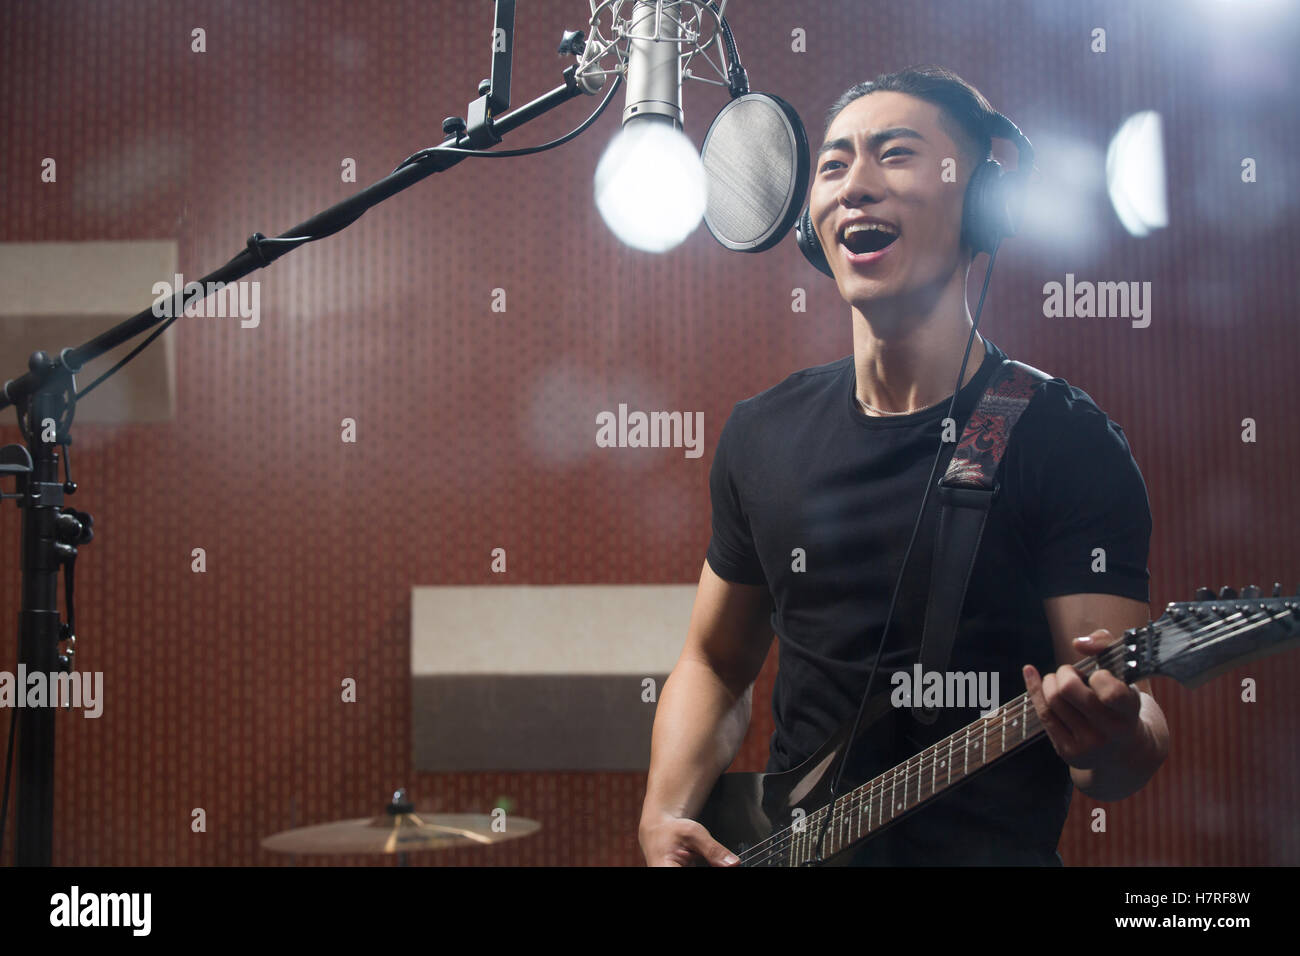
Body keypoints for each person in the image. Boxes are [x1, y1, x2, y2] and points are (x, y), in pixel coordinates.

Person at [638, 66, 1170, 866]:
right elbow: (714, 660)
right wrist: (661, 812)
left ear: (981, 204)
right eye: (833, 164)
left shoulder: (1065, 440)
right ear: (811, 223)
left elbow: (1129, 742)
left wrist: (1115, 734)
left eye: (895, 155)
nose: (856, 185)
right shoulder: (761, 434)